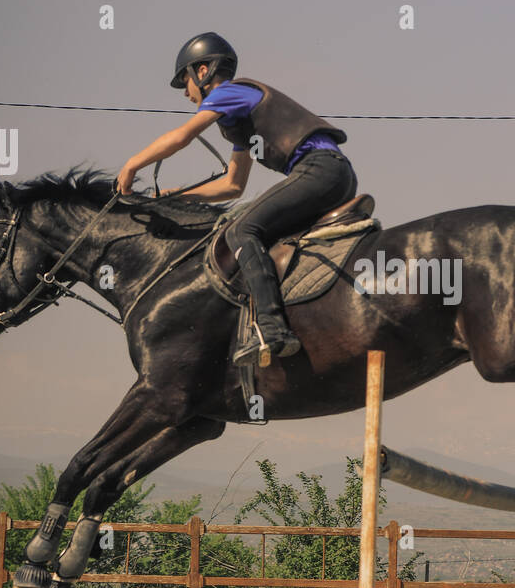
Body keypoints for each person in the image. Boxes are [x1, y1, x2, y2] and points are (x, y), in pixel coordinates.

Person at [117, 32, 356, 365]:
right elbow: (232, 185)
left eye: (184, 81)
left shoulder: (230, 93)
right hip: (333, 176)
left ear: (202, 71)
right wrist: (177, 196)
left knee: (242, 230)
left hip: (320, 171)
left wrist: (131, 165)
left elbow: (182, 136)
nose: (186, 93)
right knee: (255, 228)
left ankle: (273, 330)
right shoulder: (238, 120)